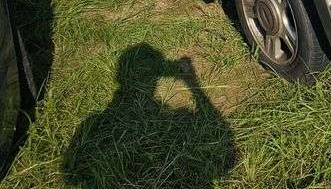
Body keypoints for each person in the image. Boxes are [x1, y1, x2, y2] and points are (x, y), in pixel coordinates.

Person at [62, 43, 235, 188]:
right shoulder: (98, 127)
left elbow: (71, 175)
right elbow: (226, 153)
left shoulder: (94, 125)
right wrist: (192, 82)